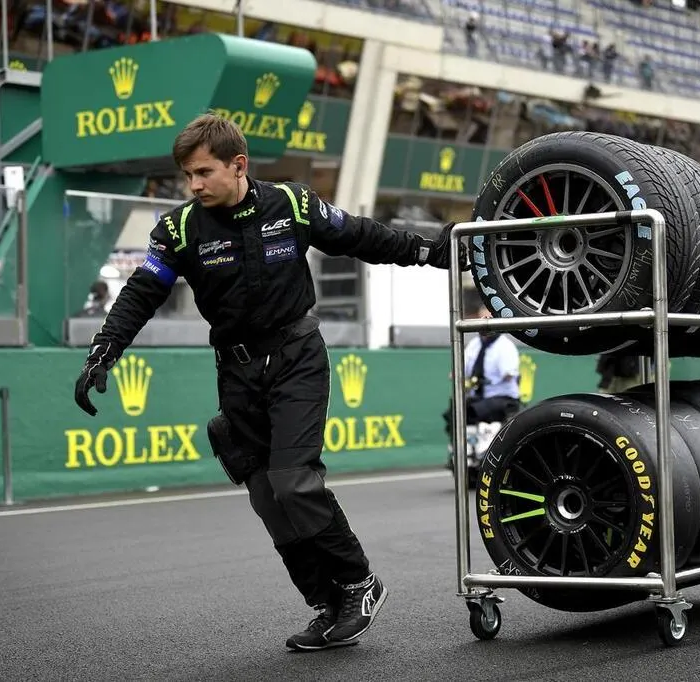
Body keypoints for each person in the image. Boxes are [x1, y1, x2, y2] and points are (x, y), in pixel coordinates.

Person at [73, 113, 463, 651]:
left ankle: (359, 583)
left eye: (203, 172)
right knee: (265, 494)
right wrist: (104, 349)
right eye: (187, 176)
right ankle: (327, 603)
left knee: (294, 481)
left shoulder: (295, 204)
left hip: (297, 355)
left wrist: (430, 251)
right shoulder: (178, 229)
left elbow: (360, 237)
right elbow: (143, 291)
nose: (194, 185)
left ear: (239, 165)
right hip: (234, 371)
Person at [443, 304, 522, 447]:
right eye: (481, 320)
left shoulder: (505, 346)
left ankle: (482, 447)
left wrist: (486, 381)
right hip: (478, 397)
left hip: (502, 398)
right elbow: (461, 367)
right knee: (453, 411)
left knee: (471, 410)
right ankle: (460, 448)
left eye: (487, 319)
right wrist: (457, 375)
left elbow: (509, 374)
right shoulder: (474, 345)